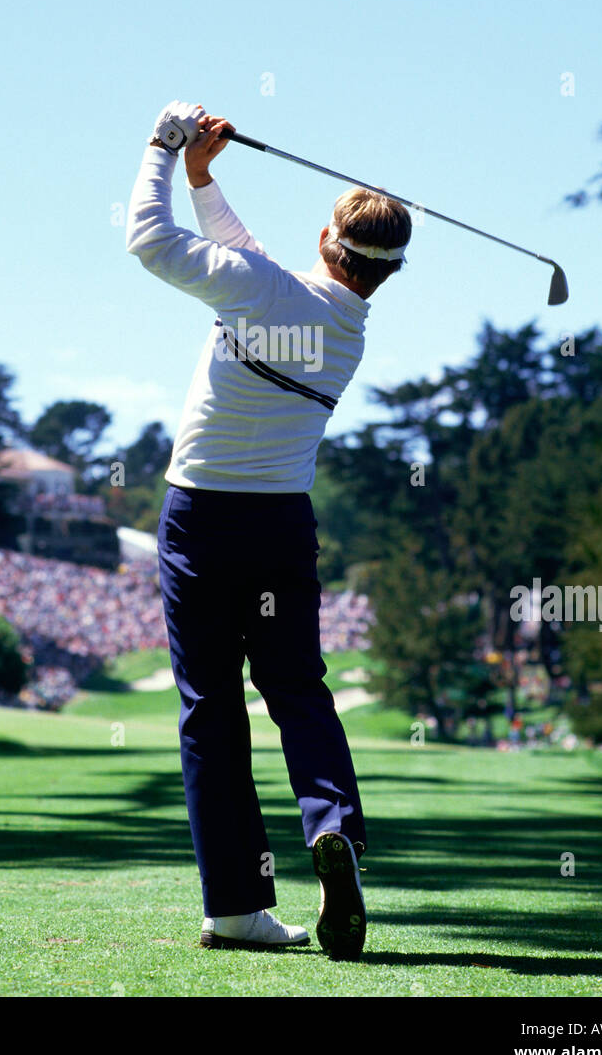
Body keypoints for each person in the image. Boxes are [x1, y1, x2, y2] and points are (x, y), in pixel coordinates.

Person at [126, 101, 412, 959]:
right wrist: (205, 176)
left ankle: (237, 908)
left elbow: (148, 242)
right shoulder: (346, 324)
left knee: (210, 710)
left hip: (198, 521)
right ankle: (334, 829)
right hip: (282, 525)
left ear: (328, 247)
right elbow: (249, 265)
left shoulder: (264, 292)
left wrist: (159, 150)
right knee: (297, 691)